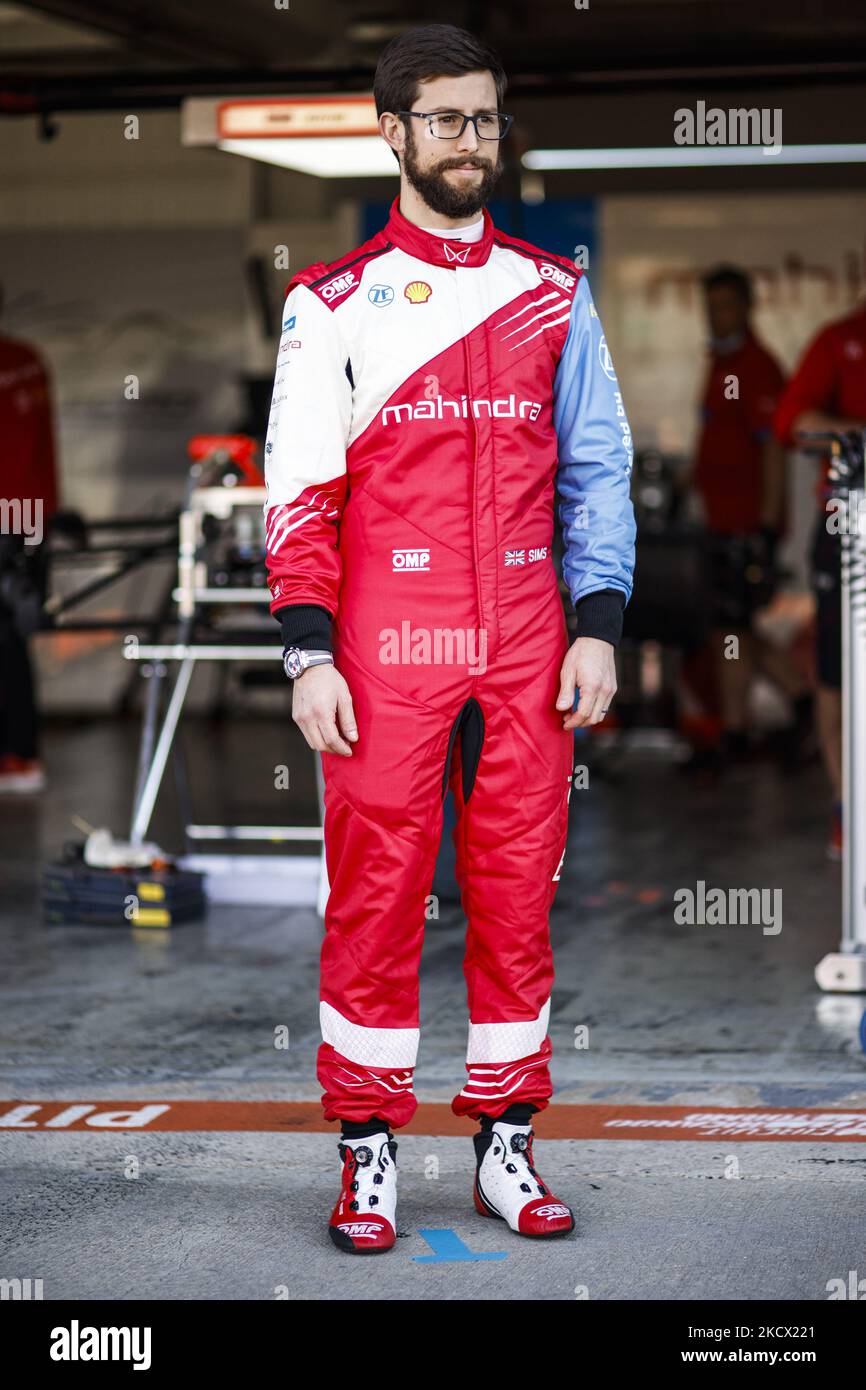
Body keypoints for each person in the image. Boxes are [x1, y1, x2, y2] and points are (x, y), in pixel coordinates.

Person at [263, 22, 636, 1253]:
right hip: (382, 642)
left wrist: (597, 625)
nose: (470, 141)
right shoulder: (328, 304)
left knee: (518, 891)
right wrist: (307, 651)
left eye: (484, 118)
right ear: (392, 133)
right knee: (373, 897)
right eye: (445, 120)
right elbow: (300, 492)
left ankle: (504, 1145)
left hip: (531, 640)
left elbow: (595, 470)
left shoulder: (553, 289)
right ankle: (366, 1150)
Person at [683, 265, 811, 770]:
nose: (718, 317)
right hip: (717, 521)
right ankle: (795, 705)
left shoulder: (755, 367)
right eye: (711, 307)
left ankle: (739, 730)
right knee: (732, 630)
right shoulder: (722, 363)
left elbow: (773, 450)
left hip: (744, 525)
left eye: (728, 306)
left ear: (748, 307)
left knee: (730, 629)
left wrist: (764, 523)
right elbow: (715, 436)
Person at [774, 297, 866, 858]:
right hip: (847, 528)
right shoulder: (841, 340)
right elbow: (792, 424)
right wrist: (856, 434)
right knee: (837, 673)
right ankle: (846, 808)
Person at [0, 281, 58, 793]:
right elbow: (45, 452)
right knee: (13, 636)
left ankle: (18, 753)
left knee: (11, 637)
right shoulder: (28, 360)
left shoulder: (23, 360)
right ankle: (20, 753)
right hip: (27, 521)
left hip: (14, 524)